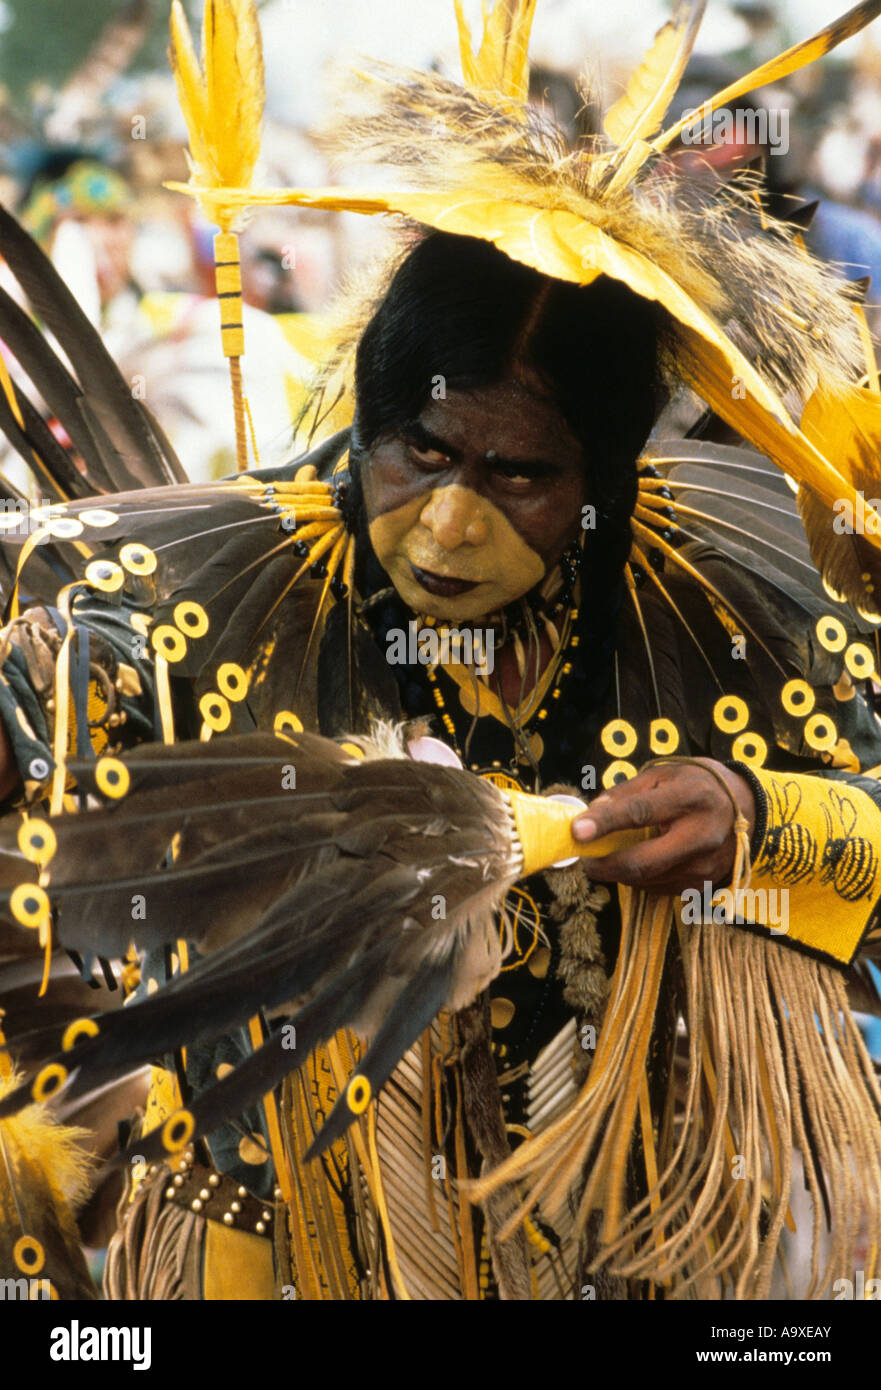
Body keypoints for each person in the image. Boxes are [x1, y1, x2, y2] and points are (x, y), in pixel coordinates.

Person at [1, 0, 881, 1303]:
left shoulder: (725, 596)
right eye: (420, 452)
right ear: (364, 425)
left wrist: (765, 816)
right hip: (279, 1239)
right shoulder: (149, 610)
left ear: (605, 479)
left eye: (518, 472)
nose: (452, 524)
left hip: (636, 1221)